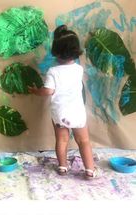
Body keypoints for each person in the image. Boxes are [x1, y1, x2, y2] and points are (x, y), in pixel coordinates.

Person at [28, 25, 97, 179]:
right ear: (76, 51)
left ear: (56, 52)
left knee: (62, 139)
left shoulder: (53, 72)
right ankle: (90, 170)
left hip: (60, 114)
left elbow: (48, 91)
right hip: (78, 113)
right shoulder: (79, 70)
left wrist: (35, 91)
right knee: (84, 141)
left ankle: (63, 167)